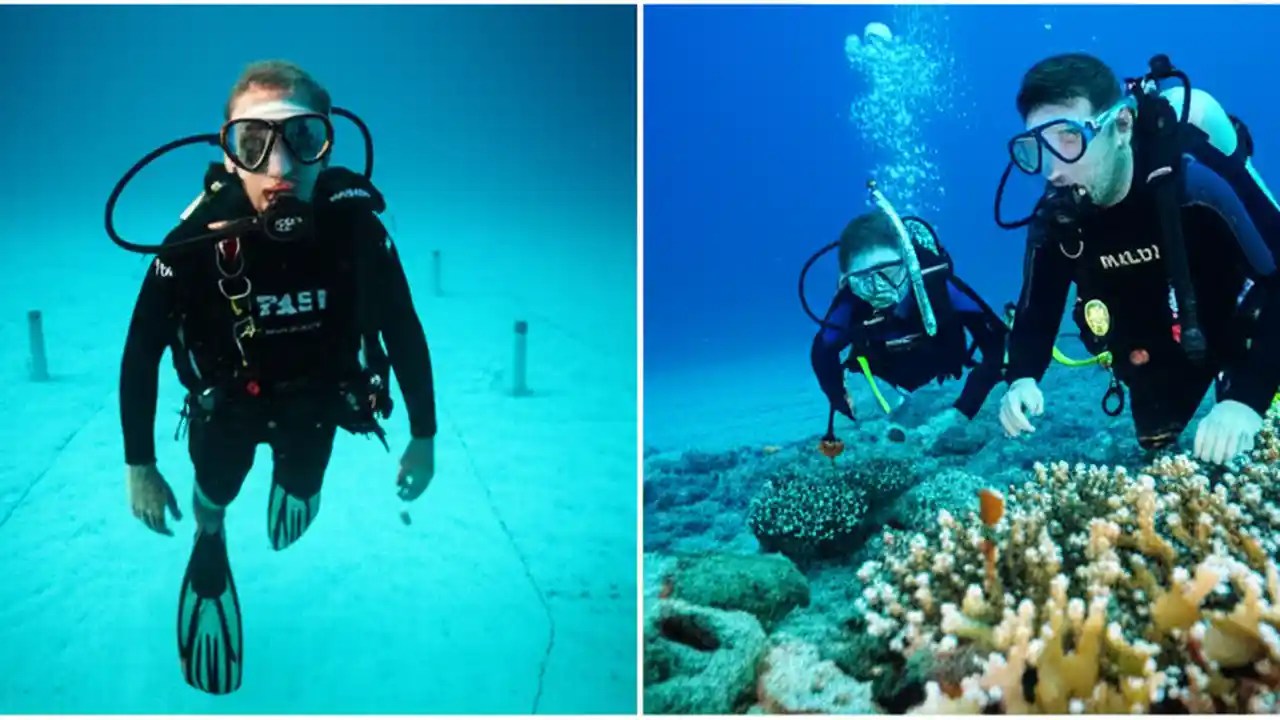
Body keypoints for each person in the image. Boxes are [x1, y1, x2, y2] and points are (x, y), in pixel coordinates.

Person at [117, 60, 438, 695]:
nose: (281, 168)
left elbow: (403, 330)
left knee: (301, 479)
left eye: (302, 139)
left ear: (327, 147)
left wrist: (424, 437)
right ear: (229, 154)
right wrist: (140, 465)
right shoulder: (190, 245)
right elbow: (140, 351)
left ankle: (288, 484)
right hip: (227, 408)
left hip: (318, 405)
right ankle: (211, 542)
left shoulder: (357, 232)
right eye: (253, 143)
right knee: (215, 491)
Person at [995, 52, 1280, 465]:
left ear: (1122, 126)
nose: (1053, 170)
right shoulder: (1060, 218)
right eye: (1036, 147)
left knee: (1260, 456)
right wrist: (1022, 376)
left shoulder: (1192, 181)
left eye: (1069, 138)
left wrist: (1246, 400)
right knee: (1158, 449)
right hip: (1156, 344)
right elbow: (1037, 307)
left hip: (1245, 328)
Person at [809, 207, 1010, 456]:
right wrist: (841, 402)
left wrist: (963, 409)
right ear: (847, 280)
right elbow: (821, 353)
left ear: (908, 262)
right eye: (863, 280)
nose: (880, 289)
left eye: (889, 272)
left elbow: (995, 342)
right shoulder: (849, 303)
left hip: (943, 367)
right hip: (886, 372)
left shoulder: (938, 284)